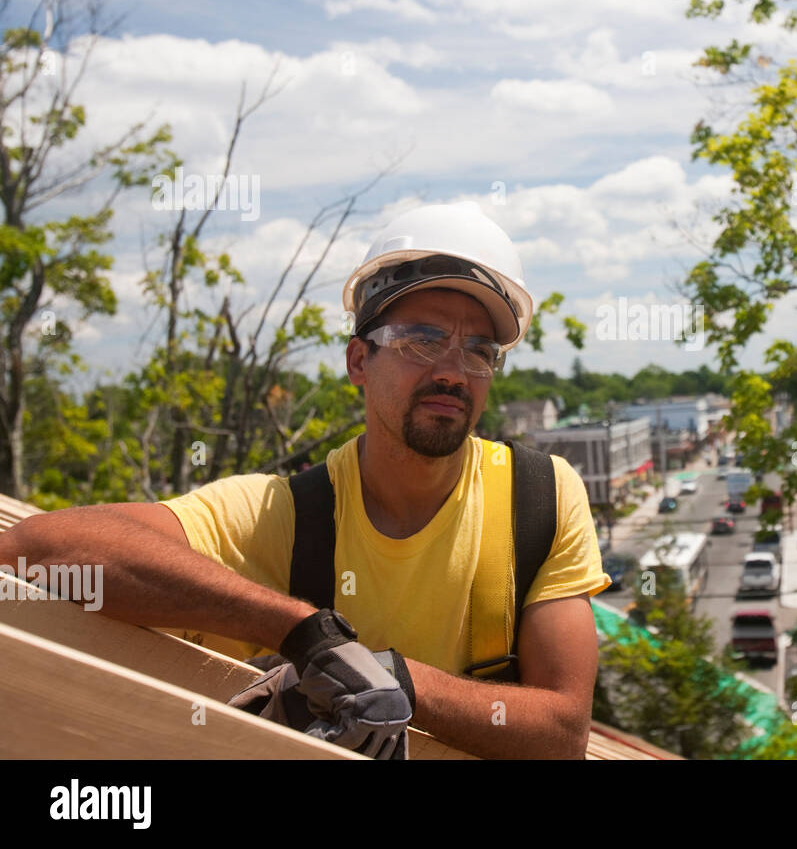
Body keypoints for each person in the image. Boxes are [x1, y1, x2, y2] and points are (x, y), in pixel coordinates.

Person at [2, 201, 610, 760]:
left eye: (479, 350)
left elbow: (561, 734)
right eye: (423, 340)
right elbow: (34, 551)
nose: (454, 370)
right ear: (357, 362)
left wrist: (396, 680)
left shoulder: (539, 500)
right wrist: (302, 634)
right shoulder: (281, 516)